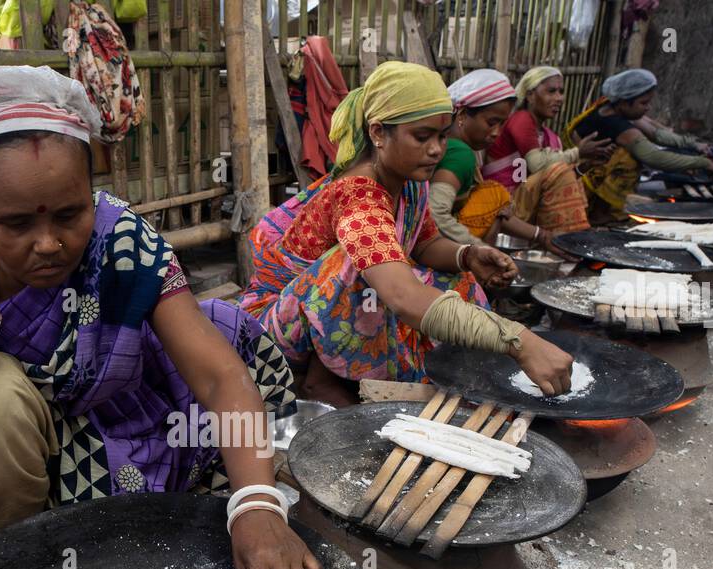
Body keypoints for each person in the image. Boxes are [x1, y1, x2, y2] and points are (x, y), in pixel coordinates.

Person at [0, 66, 318, 569]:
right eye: (14, 223)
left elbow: (220, 379)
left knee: (224, 328)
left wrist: (256, 504)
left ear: (91, 196)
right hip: (8, 431)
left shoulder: (121, 239)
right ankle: (36, 551)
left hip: (116, 402)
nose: (49, 243)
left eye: (69, 214)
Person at [238, 62, 573, 408]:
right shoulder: (357, 194)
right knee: (359, 269)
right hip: (275, 332)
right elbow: (400, 295)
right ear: (379, 133)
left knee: (460, 284)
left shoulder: (409, 183)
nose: (436, 149)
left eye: (442, 136)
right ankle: (319, 383)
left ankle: (404, 373)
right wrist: (518, 340)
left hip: (320, 311)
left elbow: (425, 243)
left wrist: (468, 256)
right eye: (422, 136)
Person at [566, 68, 713, 223]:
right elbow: (655, 157)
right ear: (625, 103)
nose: (648, 108)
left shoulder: (614, 107)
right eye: (644, 103)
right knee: (629, 159)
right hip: (579, 175)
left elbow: (656, 133)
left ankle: (601, 210)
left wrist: (692, 144)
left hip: (589, 166)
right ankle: (598, 214)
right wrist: (703, 163)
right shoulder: (615, 125)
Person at [428, 69, 562, 250]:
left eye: (501, 124)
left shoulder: (456, 148)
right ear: (462, 115)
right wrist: (479, 250)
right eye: (491, 123)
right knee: (493, 195)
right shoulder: (460, 153)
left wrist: (542, 236)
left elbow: (491, 211)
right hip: (439, 250)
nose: (496, 133)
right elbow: (435, 214)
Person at [482, 66, 612, 235]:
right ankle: (569, 238)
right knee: (560, 170)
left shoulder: (549, 136)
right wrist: (577, 153)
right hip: (501, 201)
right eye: (551, 91)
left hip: (525, 200)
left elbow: (552, 179)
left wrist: (584, 165)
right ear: (530, 95)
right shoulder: (521, 120)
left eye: (561, 91)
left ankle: (567, 236)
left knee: (565, 172)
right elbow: (537, 165)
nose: (559, 98)